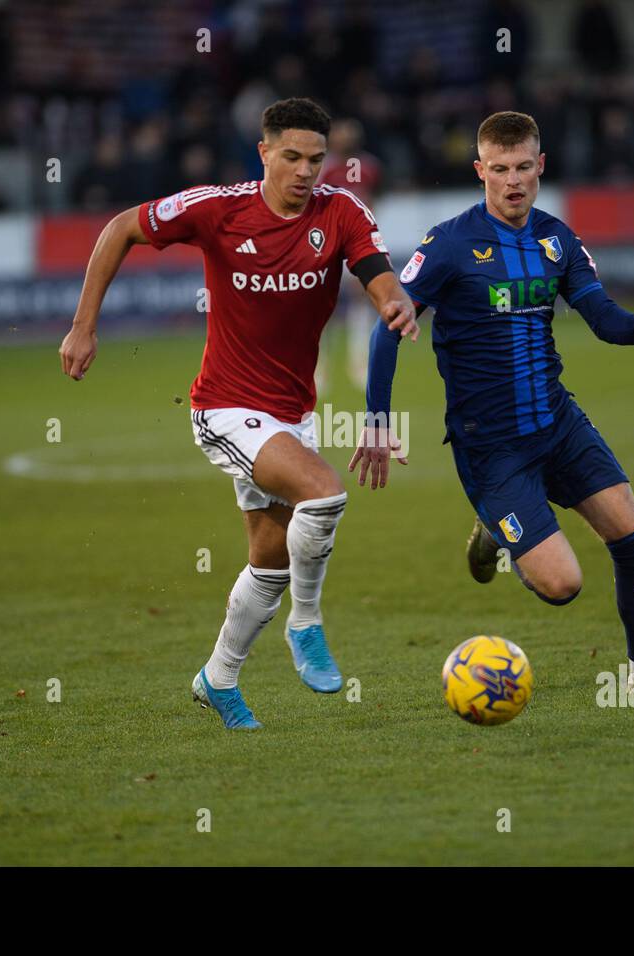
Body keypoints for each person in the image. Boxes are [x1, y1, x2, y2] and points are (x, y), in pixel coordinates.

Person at [59, 98, 417, 729]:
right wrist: (84, 327)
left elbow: (379, 279)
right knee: (325, 493)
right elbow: (120, 228)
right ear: (264, 153)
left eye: (315, 159)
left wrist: (396, 306)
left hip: (291, 414)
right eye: (292, 157)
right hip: (224, 407)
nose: (306, 171)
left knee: (270, 561)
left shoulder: (341, 212)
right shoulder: (217, 209)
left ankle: (217, 679)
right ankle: (306, 626)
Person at [350, 110, 634, 692]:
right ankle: (497, 524)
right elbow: (388, 326)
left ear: (541, 167)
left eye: (524, 168)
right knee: (562, 586)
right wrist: (377, 421)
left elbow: (601, 318)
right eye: (500, 169)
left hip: (557, 422)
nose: (513, 181)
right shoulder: (451, 243)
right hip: (491, 446)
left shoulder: (557, 238)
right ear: (480, 170)